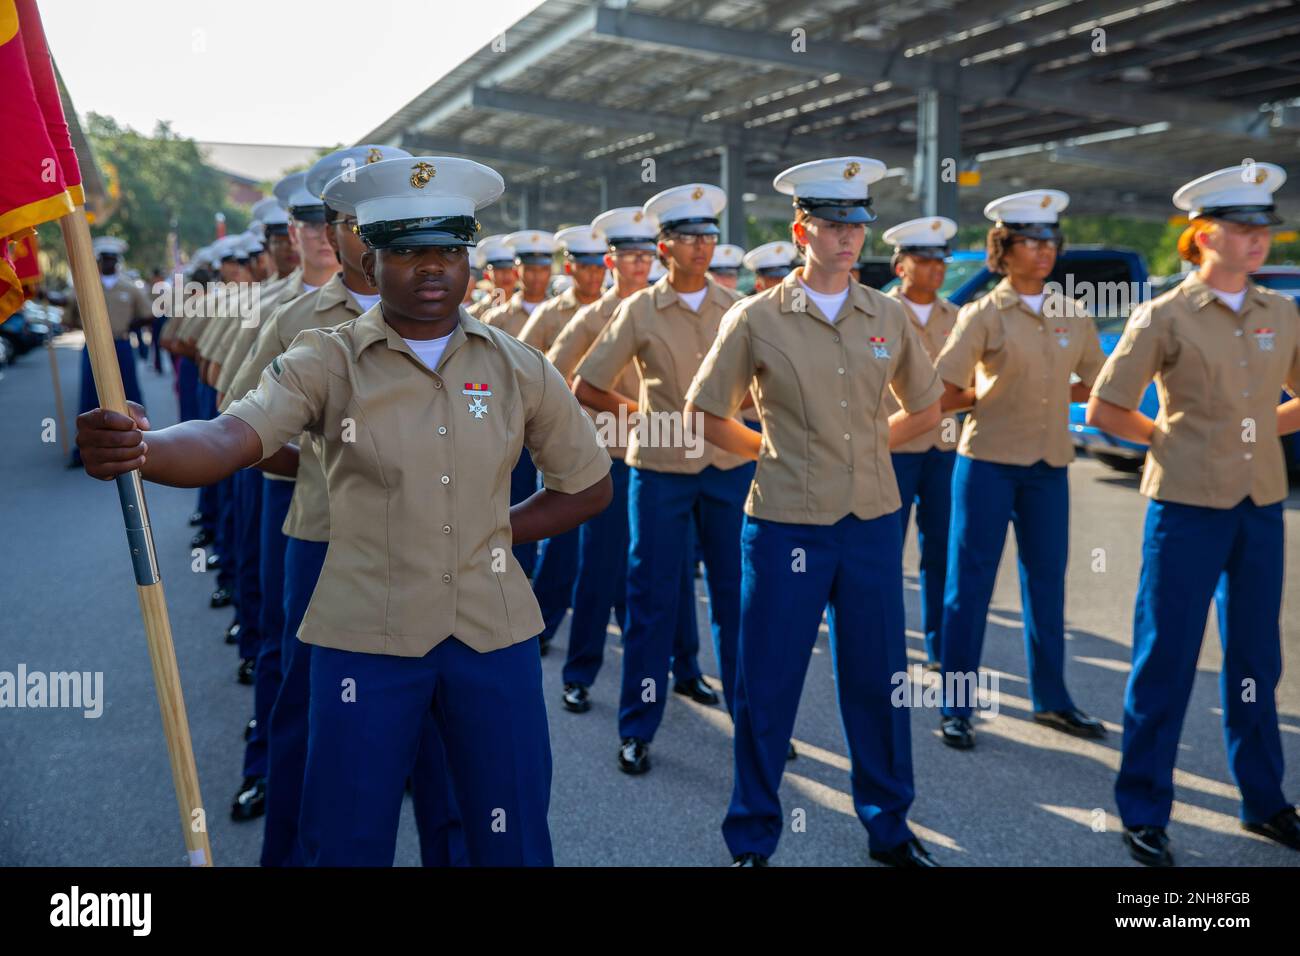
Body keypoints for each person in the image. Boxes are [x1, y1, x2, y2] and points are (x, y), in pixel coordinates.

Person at [77, 155, 612, 866]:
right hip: (367, 640)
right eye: (409, 250)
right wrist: (143, 449)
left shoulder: (518, 366)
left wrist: (492, 531)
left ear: (469, 261)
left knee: (507, 835)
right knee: (346, 839)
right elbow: (232, 435)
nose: (432, 267)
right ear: (373, 255)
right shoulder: (324, 360)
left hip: (493, 638)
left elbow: (587, 486)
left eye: (450, 250)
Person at [686, 156, 943, 868]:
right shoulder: (757, 317)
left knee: (879, 680)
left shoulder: (885, 313)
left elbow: (925, 409)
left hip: (869, 523)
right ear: (803, 229)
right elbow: (705, 413)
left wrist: (866, 450)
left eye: (857, 225)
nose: (848, 239)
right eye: (832, 225)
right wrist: (769, 454)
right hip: (785, 526)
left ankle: (889, 829)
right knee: (766, 685)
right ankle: (752, 835)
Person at [1086, 161, 1300, 866]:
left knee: (1255, 660)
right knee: (1166, 660)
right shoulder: (1164, 314)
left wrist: (1260, 431)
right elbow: (1106, 408)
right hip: (1183, 508)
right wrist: (1171, 441)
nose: (1257, 239)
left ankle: (1265, 800)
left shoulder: (1281, 312)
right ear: (1203, 235)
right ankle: (1143, 808)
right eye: (1242, 228)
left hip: (1259, 507)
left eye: (1262, 227)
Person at [575, 182, 748, 775]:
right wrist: (650, 421)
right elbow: (588, 386)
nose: (702, 247)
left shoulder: (738, 307)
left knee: (736, 598)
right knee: (651, 599)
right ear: (665, 246)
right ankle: (638, 726)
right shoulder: (639, 309)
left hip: (728, 471)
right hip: (662, 470)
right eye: (688, 238)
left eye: (709, 237)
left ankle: (753, 723)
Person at [932, 189, 1106, 751]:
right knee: (969, 589)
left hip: (1049, 468)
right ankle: (957, 704)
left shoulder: (1071, 314)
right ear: (1003, 250)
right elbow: (943, 390)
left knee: (1047, 584)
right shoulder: (981, 315)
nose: (1044, 251)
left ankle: (1052, 700)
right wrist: (989, 394)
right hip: (986, 465)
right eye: (1031, 241)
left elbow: (1097, 383)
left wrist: (1056, 393)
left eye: (1050, 240)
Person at [548, 206, 713, 713]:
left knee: (678, 568)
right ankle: (580, 672)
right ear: (611, 260)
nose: (639, 267)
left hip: (680, 456)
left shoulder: (679, 310)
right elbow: (556, 378)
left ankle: (686, 668)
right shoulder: (594, 316)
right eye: (629, 257)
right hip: (614, 454)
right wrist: (647, 416)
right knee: (602, 566)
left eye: (646, 257)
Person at [518, 226, 607, 655]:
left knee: (612, 549)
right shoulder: (551, 315)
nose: (594, 275)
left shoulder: (618, 310)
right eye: (586, 267)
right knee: (561, 544)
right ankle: (543, 624)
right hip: (563, 444)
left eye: (599, 266)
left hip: (616, 441)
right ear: (571, 268)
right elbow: (522, 376)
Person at [880, 216, 960, 670]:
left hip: (945, 449)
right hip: (895, 448)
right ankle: (886, 644)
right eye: (924, 259)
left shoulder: (958, 315)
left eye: (940, 260)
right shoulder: (878, 312)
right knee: (886, 550)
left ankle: (939, 648)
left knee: (941, 552)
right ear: (900, 265)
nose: (935, 268)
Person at [64, 236, 152, 468]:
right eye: (104, 258)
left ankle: (140, 441)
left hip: (121, 344)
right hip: (93, 346)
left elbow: (147, 314)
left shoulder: (130, 287)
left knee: (130, 393)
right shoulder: (84, 285)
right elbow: (69, 317)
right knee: (90, 395)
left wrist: (127, 326)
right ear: (98, 260)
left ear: (118, 260)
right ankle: (84, 449)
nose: (108, 262)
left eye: (112, 258)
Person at [465, 234, 515, 319]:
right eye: (499, 269)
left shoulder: (533, 309)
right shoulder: (472, 315)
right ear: (486, 275)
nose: (506, 274)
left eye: (510, 268)